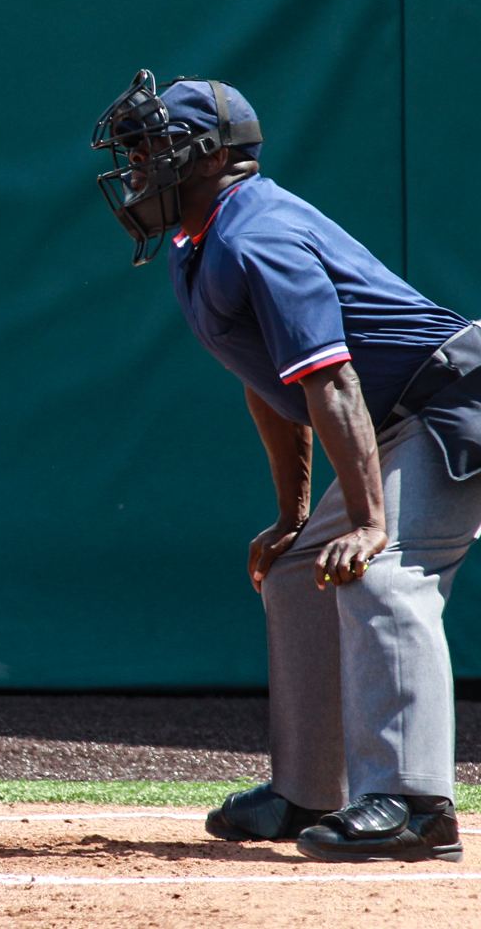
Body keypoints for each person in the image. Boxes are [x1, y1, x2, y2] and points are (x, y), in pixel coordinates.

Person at [91, 70, 479, 863]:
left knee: (381, 573)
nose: (137, 166)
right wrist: (294, 516)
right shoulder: (199, 243)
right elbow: (271, 382)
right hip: (396, 416)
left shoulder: (255, 233)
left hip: (451, 404)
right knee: (300, 572)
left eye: (153, 148)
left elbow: (331, 379)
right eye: (134, 150)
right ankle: (310, 791)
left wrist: (368, 523)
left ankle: (416, 804)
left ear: (210, 156)